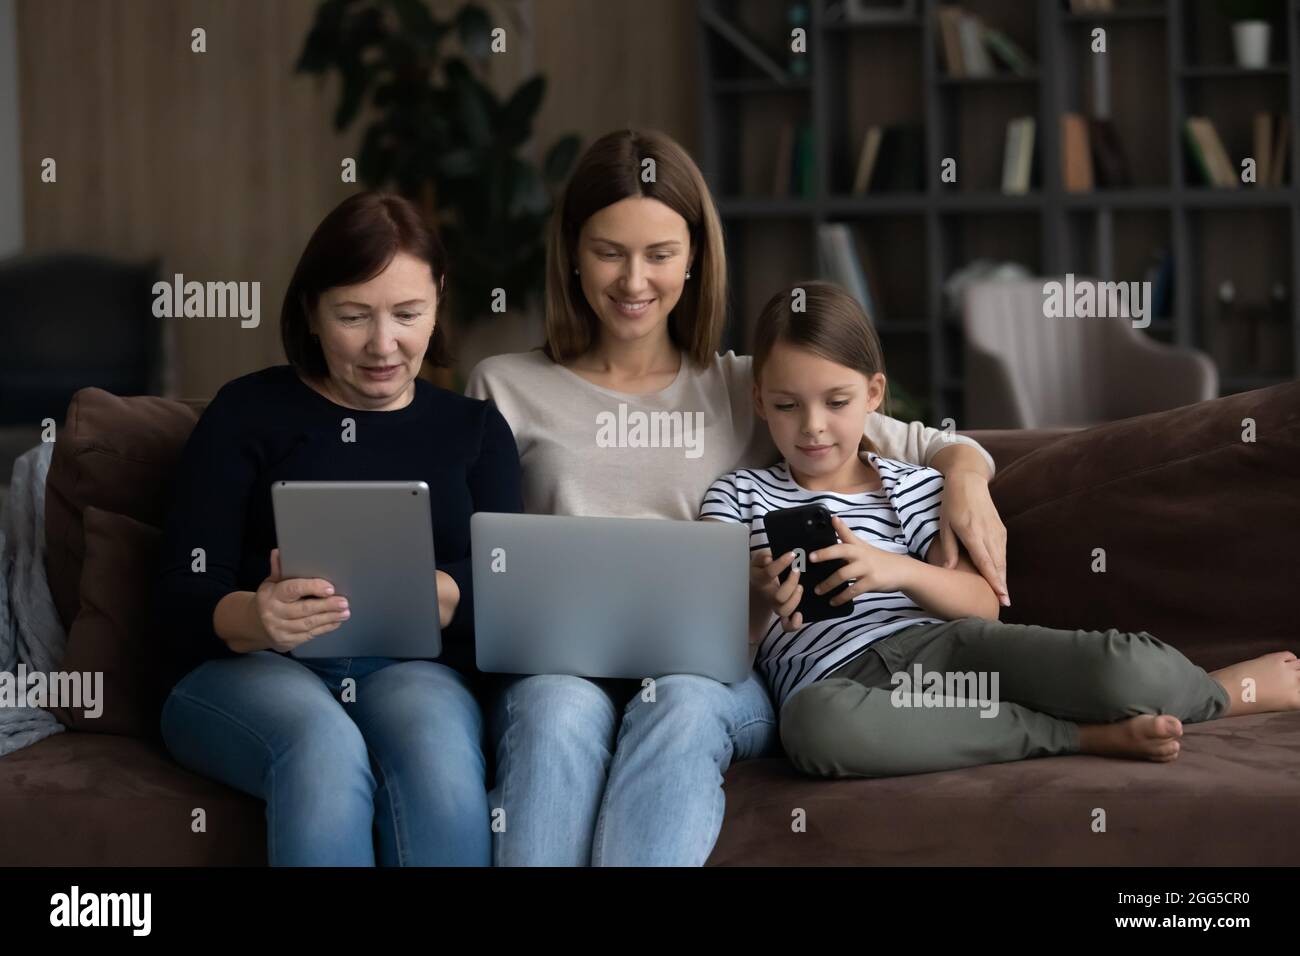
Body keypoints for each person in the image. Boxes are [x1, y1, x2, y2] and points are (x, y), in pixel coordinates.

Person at [465, 129, 1009, 866]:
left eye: (660, 254)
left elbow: (928, 441)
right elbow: (482, 562)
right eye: (609, 251)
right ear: (570, 251)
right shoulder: (503, 386)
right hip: (563, 672)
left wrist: (970, 479)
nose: (634, 282)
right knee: (557, 711)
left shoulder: (747, 384)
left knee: (683, 704)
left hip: (714, 676)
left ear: (694, 259)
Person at [701, 280, 1300, 778]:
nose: (813, 428)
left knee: (1124, 668)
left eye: (836, 402)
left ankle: (1218, 693)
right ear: (758, 400)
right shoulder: (737, 496)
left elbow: (984, 607)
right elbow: (714, 641)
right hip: (833, 684)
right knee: (815, 731)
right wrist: (757, 596)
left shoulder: (912, 483)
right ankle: (1080, 735)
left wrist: (892, 569)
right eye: (786, 406)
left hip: (951, 649)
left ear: (874, 395)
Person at [155, 192, 522, 865]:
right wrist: (255, 617)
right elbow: (182, 587)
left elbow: (512, 588)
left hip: (412, 670)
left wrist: (441, 593)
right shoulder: (247, 412)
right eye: (353, 316)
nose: (384, 345)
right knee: (321, 749)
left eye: (408, 314)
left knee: (440, 769)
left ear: (438, 299)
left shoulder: (472, 431)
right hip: (250, 667)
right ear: (311, 312)